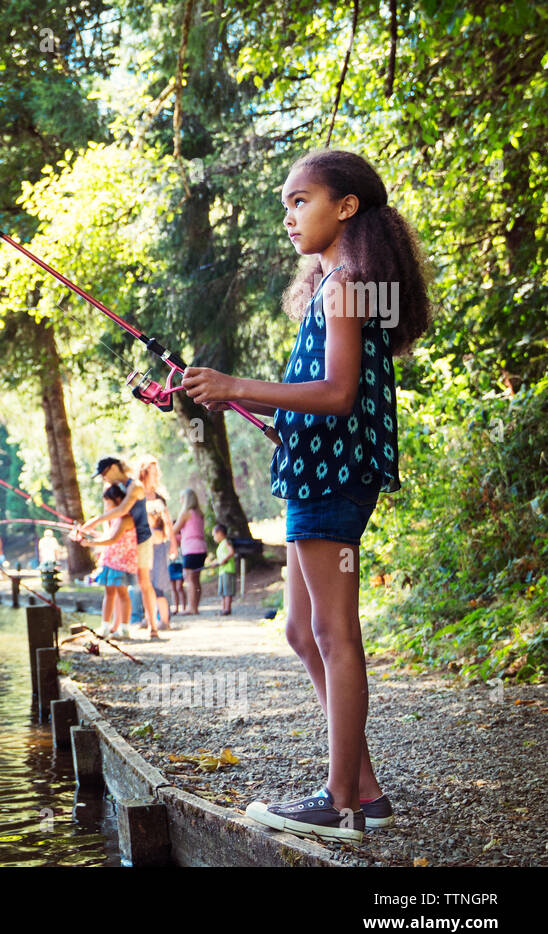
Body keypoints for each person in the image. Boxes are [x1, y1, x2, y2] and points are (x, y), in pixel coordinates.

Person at [182, 148, 430, 843]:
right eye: (285, 203)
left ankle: (340, 802)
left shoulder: (348, 283)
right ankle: (367, 793)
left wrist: (234, 386)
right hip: (317, 471)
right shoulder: (335, 285)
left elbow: (338, 393)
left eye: (301, 200)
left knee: (332, 631)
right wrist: (250, 403)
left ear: (345, 206)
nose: (288, 216)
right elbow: (317, 399)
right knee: (300, 629)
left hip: (336, 477)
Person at [74, 457, 159, 639]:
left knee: (144, 583)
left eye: (104, 473)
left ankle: (153, 626)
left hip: (141, 539)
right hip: (124, 541)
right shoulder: (117, 488)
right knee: (120, 586)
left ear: (113, 468)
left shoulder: (134, 486)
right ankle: (117, 626)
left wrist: (94, 522)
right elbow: (112, 514)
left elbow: (121, 511)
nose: (104, 478)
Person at [78, 485, 138, 640]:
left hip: (122, 563)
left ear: (118, 501)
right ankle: (105, 627)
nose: (106, 507)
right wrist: (91, 535)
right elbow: (107, 536)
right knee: (109, 593)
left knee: (123, 594)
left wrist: (90, 543)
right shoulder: (113, 520)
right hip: (110, 561)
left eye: (107, 503)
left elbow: (113, 539)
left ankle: (124, 629)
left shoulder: (126, 519)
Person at [174, 488, 209, 614]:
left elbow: (174, 530)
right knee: (196, 579)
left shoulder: (186, 514)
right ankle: (195, 607)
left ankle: (191, 608)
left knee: (189, 579)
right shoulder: (199, 514)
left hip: (191, 549)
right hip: (201, 548)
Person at [147, 498, 175, 631]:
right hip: (154, 569)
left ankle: (164, 620)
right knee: (154, 594)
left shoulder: (156, 533)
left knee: (159, 594)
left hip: (157, 570)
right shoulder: (158, 532)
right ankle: (153, 619)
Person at [200, 523, 236, 615]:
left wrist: (224, 560)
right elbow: (220, 559)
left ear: (219, 533)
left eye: (214, 535)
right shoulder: (220, 546)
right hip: (222, 571)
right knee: (222, 591)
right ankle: (223, 608)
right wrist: (215, 563)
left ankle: (227, 609)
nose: (214, 537)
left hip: (228, 570)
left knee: (227, 591)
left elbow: (231, 552)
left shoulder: (226, 542)